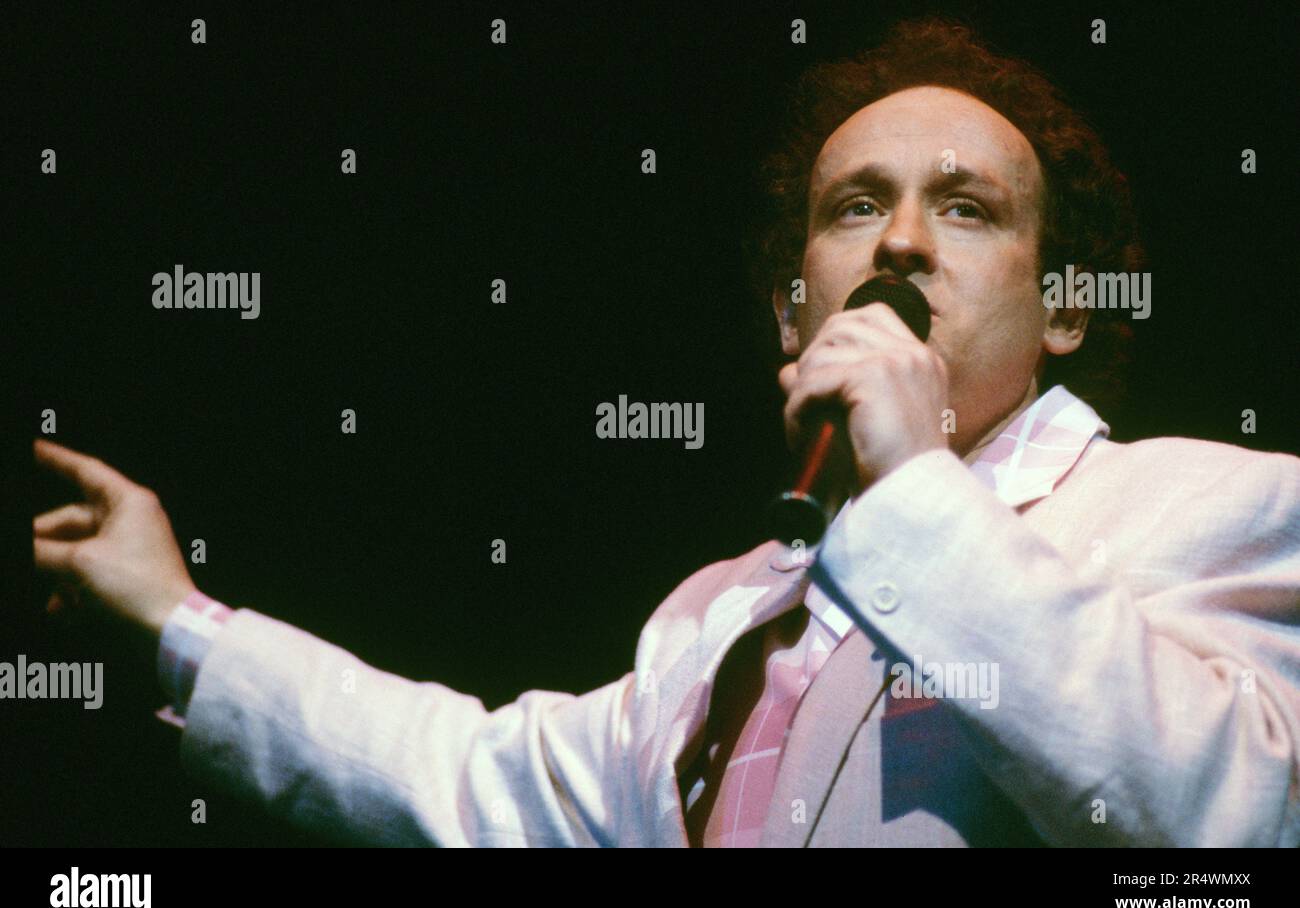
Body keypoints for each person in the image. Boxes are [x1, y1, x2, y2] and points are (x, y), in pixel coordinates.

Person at [32, 19, 1300, 847]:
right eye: (857, 206)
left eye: (964, 210)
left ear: (1065, 307)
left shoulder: (1204, 506)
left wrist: (916, 484)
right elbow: (471, 776)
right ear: (792, 313)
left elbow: (1228, 830)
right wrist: (177, 619)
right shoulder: (720, 617)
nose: (901, 241)